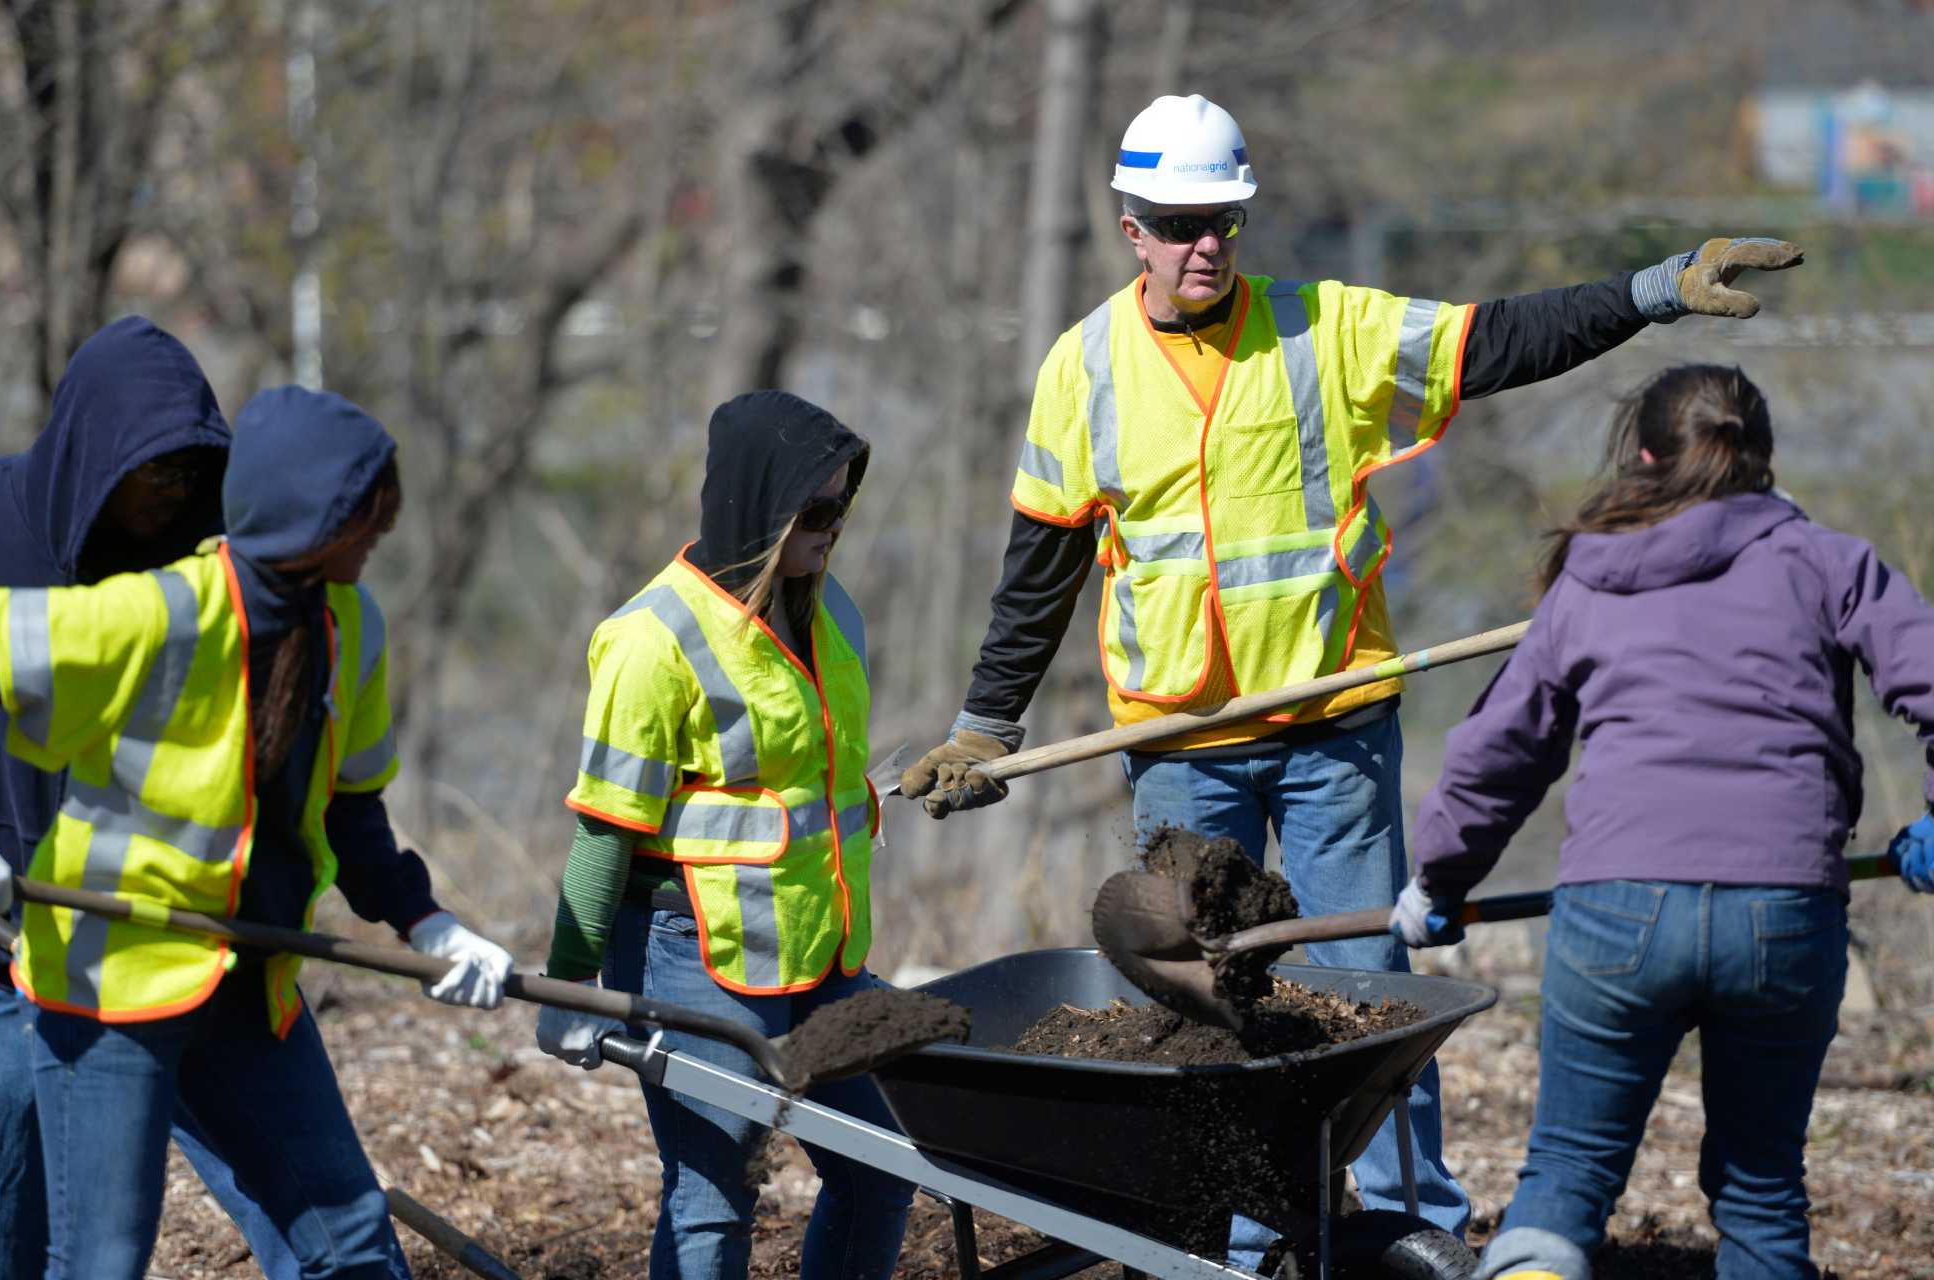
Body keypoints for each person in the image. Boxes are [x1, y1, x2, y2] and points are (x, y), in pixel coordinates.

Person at [897, 92, 1803, 1265]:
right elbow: (1041, 563)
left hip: (1333, 726)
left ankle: (1400, 1229)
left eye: (1221, 218)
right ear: (1131, 226)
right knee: (1198, 996)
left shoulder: (1326, 327)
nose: (1203, 243)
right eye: (1177, 222)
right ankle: (1223, 1234)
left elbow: (1497, 341)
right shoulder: (1081, 370)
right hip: (1179, 744)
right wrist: (982, 725)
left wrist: (1651, 288)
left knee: (1368, 994)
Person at [0, 384, 515, 1280]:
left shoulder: (352, 630)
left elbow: (350, 810)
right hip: (113, 990)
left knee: (353, 1252)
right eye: (365, 514)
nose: (381, 532)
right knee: (101, 1262)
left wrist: (429, 923)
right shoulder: (157, 615)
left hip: (250, 987)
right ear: (309, 515)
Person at [1391, 364, 1934, 1280]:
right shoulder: (1827, 561)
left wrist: (1438, 883)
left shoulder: (1591, 580)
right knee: (1763, 1193)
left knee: (1565, 1178)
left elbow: (1500, 753)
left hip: (1618, 911)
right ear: (1760, 456)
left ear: (1643, 457)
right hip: (1785, 910)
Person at [0, 316, 305, 1279]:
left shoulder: (207, 568)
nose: (171, 497)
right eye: (152, 473)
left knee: (314, 1214)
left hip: (182, 944)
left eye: (189, 475)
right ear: (88, 451)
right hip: (5, 954)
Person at [533, 390, 915, 1280]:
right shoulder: (649, 642)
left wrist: (910, 777)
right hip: (694, 954)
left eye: (843, 506)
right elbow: (603, 836)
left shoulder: (831, 612)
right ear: (759, 511)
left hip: (821, 949)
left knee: (882, 1166)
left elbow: (817, 782)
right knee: (714, 1200)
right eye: (815, 511)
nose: (833, 529)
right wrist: (566, 990)